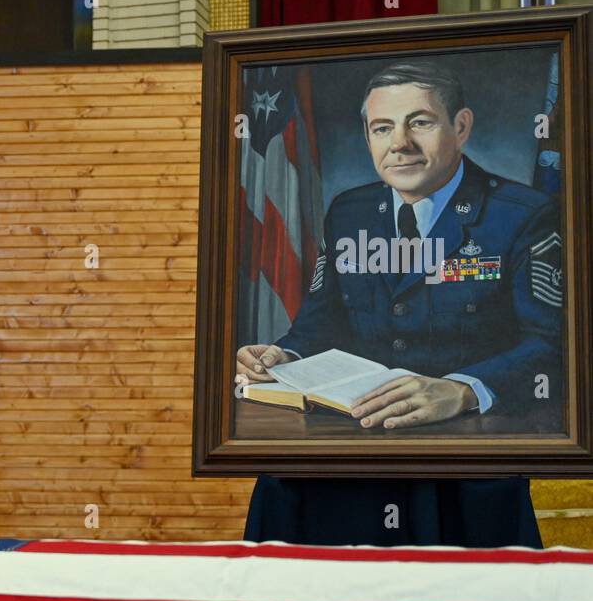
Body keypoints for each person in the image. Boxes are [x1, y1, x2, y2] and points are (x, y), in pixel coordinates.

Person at [236, 61, 563, 430]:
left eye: (420, 122)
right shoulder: (349, 213)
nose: (400, 144)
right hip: (355, 430)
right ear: (367, 136)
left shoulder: (524, 215)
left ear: (461, 127)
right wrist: (285, 355)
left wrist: (464, 389)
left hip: (470, 440)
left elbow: (551, 344)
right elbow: (319, 323)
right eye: (383, 128)